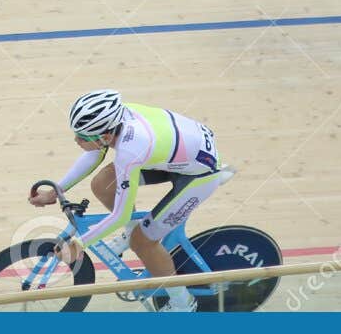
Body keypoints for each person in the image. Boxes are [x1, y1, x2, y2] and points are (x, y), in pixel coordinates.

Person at [29, 89, 232, 313]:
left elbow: (120, 215)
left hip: (200, 176)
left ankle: (183, 303)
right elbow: (96, 152)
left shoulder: (131, 149)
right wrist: (57, 191)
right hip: (179, 156)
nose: (76, 140)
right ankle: (132, 234)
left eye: (83, 136)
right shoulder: (115, 119)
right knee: (102, 184)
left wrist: (79, 245)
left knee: (142, 242)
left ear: (106, 135)